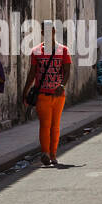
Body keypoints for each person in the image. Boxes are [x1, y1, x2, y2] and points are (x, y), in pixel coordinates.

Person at [22, 21, 72, 167]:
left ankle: (53, 154)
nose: (48, 33)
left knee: (55, 126)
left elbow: (67, 71)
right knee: (45, 125)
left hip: (58, 96)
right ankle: (45, 153)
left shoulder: (63, 50)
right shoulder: (36, 51)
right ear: (43, 32)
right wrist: (25, 91)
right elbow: (32, 74)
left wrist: (62, 85)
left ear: (54, 31)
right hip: (42, 94)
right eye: (45, 30)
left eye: (51, 30)